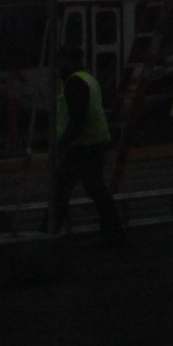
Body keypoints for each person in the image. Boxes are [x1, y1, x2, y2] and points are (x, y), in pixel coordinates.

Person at [50, 45, 124, 244]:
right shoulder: (87, 79)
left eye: (60, 61)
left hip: (83, 145)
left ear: (68, 61)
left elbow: (78, 119)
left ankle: (48, 231)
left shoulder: (75, 83)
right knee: (90, 188)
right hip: (90, 143)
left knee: (64, 189)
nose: (57, 66)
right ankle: (113, 232)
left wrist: (62, 144)